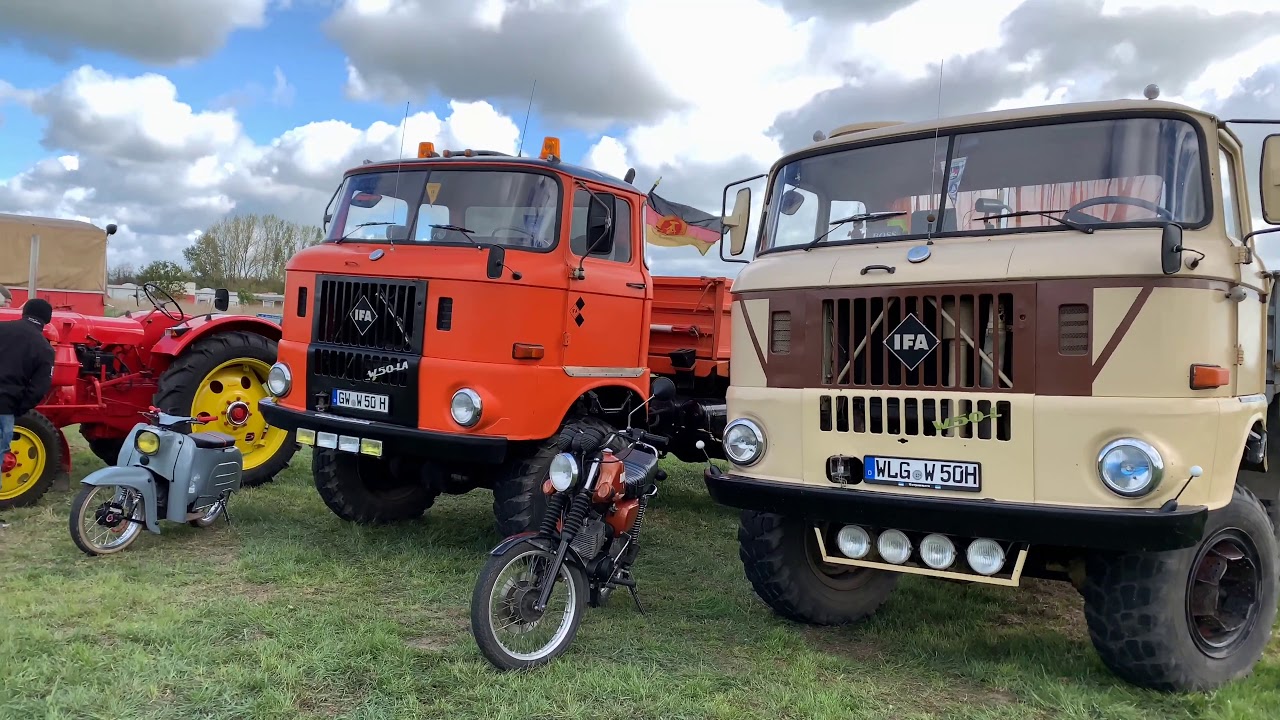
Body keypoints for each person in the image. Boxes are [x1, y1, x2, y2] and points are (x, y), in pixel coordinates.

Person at [0, 298, 55, 528]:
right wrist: (18, 408)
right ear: (47, 321)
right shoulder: (44, 348)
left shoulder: (2, 328)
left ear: (24, 312)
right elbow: (39, 389)